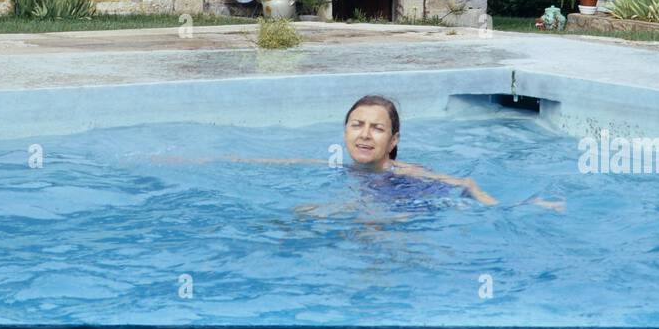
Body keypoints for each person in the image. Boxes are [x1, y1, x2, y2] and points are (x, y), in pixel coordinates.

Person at [226, 94, 566, 213]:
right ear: (344, 132)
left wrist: (512, 207)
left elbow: (466, 183)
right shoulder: (342, 170)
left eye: (377, 128)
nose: (364, 134)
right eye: (357, 125)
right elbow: (290, 163)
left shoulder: (406, 174)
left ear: (392, 141)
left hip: (415, 206)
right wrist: (234, 162)